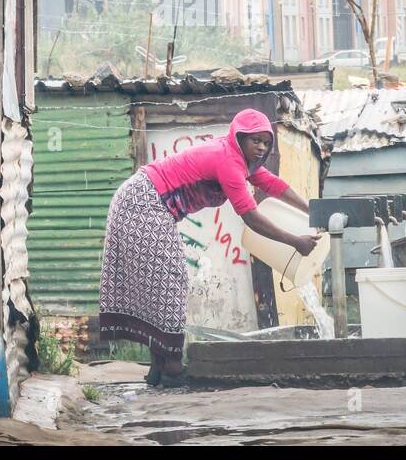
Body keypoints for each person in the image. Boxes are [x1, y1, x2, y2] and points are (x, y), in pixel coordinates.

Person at [98, 108, 320, 387]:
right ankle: (172, 365)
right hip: (141, 202)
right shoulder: (228, 160)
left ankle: (160, 368)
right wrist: (295, 241)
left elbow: (275, 185)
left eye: (266, 141)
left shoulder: (241, 161)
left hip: (143, 201)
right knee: (170, 279)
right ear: (239, 138)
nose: (262, 147)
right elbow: (250, 216)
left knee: (160, 283)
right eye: (255, 140)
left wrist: (314, 211)